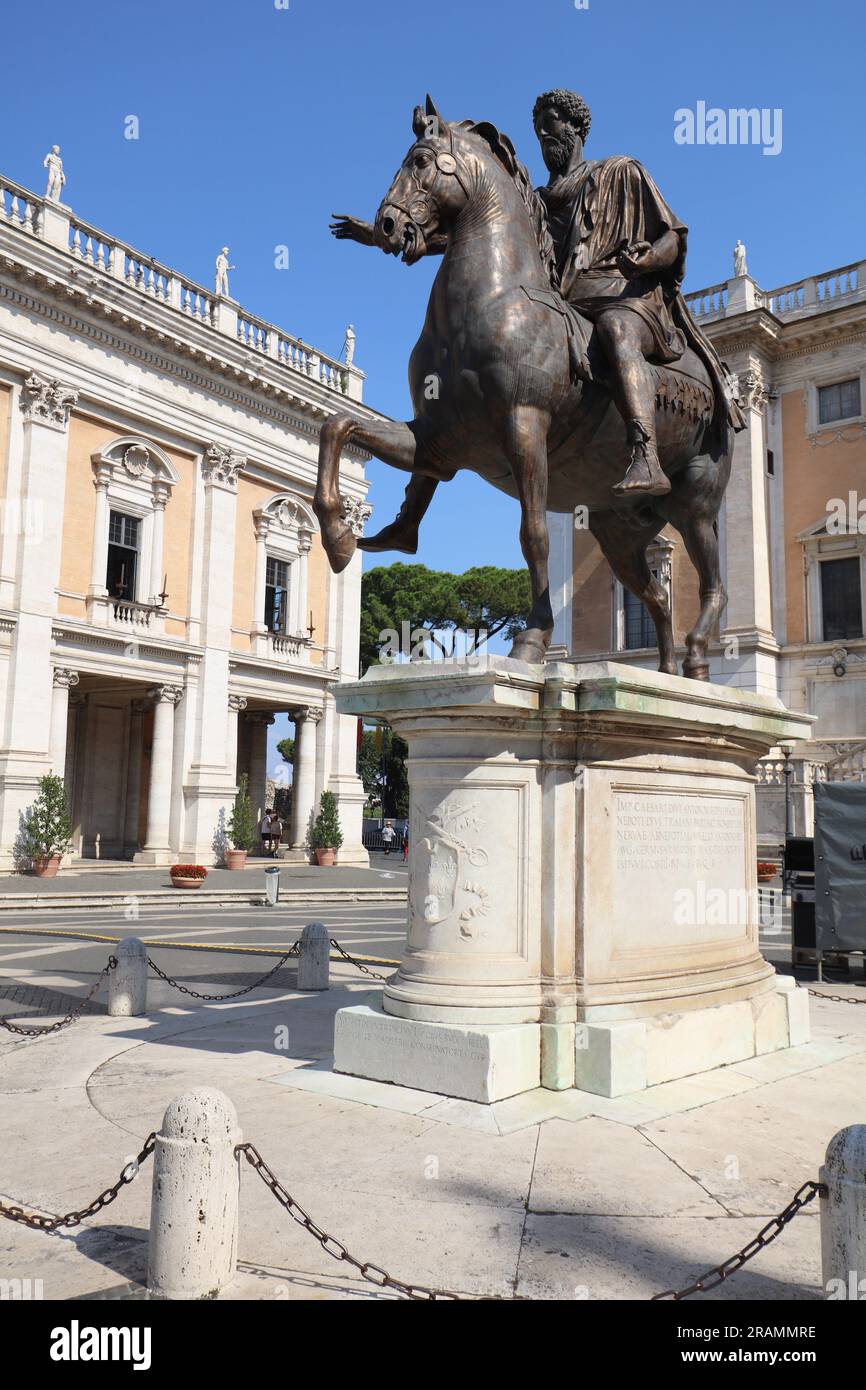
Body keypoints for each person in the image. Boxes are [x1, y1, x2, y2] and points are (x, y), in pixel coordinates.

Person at [348, 88, 743, 551]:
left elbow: (671, 236)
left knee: (616, 331)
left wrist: (648, 258)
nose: (543, 132)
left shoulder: (621, 172)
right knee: (459, 381)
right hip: (566, 305)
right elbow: (471, 231)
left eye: (552, 122)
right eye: (538, 125)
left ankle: (644, 452)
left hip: (624, 297)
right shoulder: (536, 199)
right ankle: (409, 517)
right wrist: (380, 236)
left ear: (576, 128)